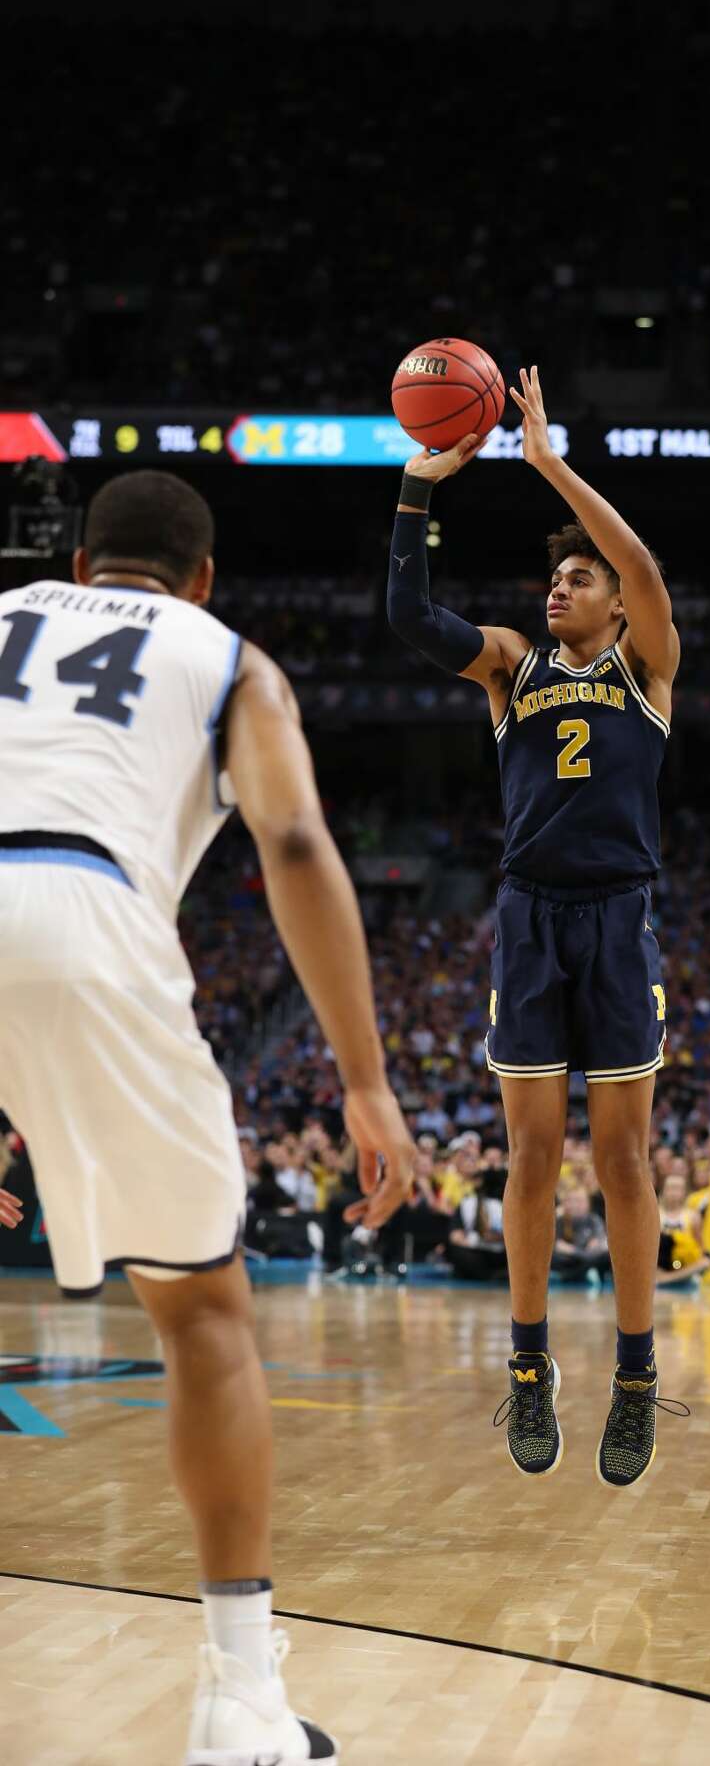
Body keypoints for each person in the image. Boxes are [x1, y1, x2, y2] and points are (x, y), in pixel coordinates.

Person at [0, 469, 416, 1766]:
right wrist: (363, 1080)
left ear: (78, 563)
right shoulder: (230, 659)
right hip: (90, 917)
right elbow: (291, 844)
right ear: (203, 579)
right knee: (204, 1318)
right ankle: (239, 1702)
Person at [386, 365, 683, 1488]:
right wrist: (418, 487)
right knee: (532, 1159)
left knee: (623, 1162)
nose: (559, 587)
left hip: (619, 917)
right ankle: (527, 1368)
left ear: (615, 603)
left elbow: (644, 565)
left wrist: (550, 465)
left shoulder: (648, 666)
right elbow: (410, 617)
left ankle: (636, 1381)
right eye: (553, 576)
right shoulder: (511, 664)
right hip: (529, 919)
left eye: (577, 578)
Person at [656, 1170, 710, 1286]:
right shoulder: (655, 1214)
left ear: (684, 1192)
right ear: (663, 1190)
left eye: (677, 1188)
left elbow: (700, 1247)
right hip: (659, 1263)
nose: (673, 1192)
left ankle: (666, 1279)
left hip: (684, 1266)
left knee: (705, 1263)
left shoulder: (693, 1216)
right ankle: (663, 1278)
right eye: (670, 1188)